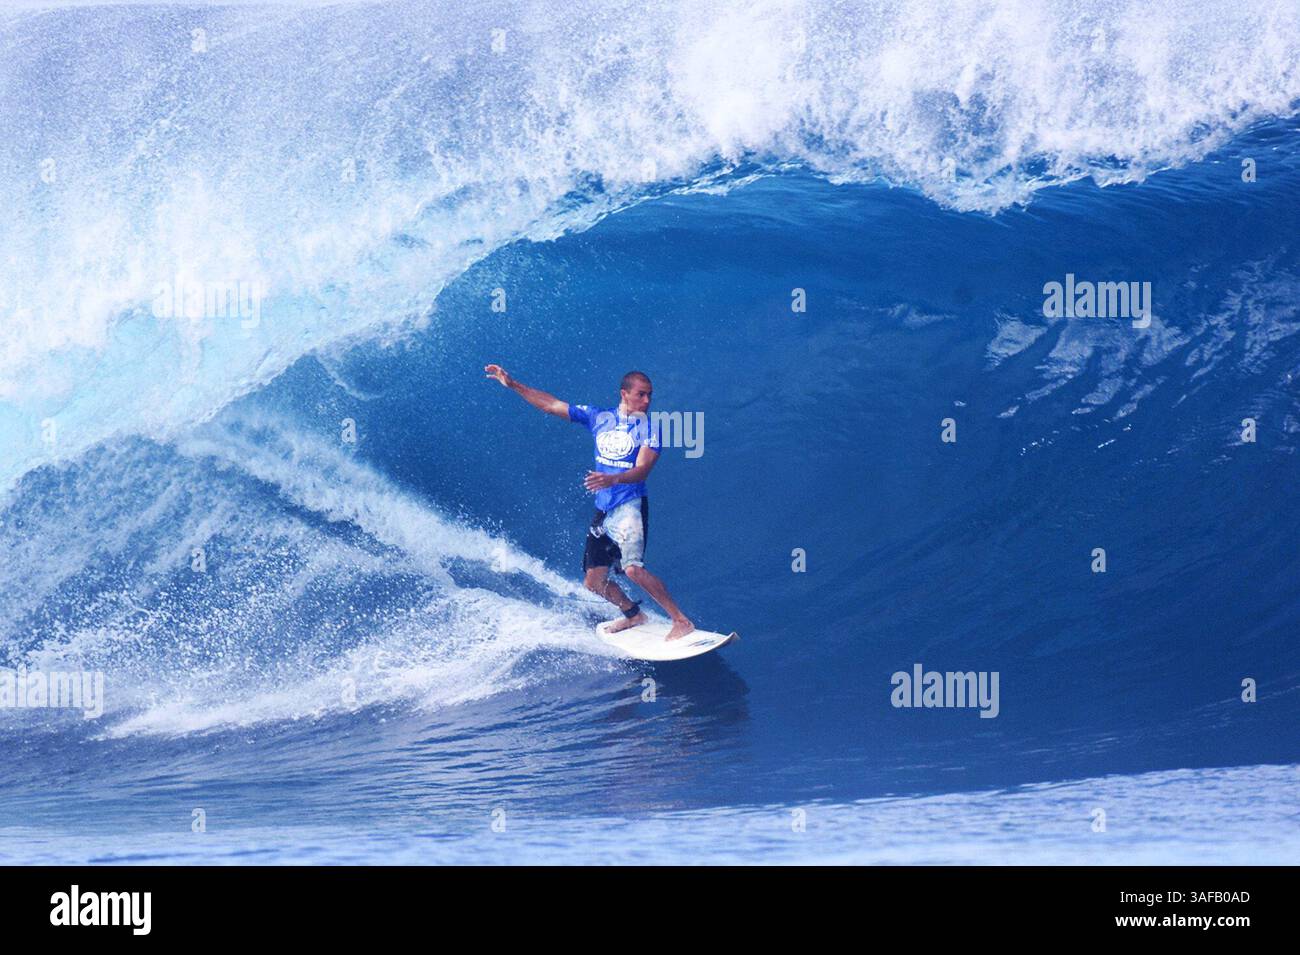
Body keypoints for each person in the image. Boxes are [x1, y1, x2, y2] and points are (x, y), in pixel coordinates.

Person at [483, 364, 695, 640]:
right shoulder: (599, 417)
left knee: (632, 569)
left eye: (649, 396)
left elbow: (642, 470)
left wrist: (613, 479)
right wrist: (513, 385)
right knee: (593, 582)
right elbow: (552, 405)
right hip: (604, 509)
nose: (647, 401)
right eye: (641, 395)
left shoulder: (651, 430)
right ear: (624, 393)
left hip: (629, 505)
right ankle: (634, 615)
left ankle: (681, 621)